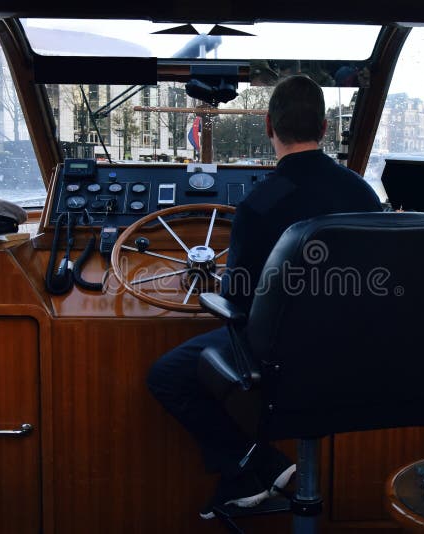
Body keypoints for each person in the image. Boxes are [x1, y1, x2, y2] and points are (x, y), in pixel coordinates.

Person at [146, 75, 383, 519]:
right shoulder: (363, 193)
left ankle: (258, 465)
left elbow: (236, 300)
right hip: (354, 350)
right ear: (325, 129)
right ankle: (259, 473)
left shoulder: (261, 201)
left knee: (168, 375)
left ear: (269, 127)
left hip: (281, 355)